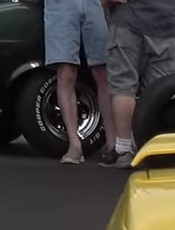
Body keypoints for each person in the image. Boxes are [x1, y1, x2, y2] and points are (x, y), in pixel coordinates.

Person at [102, 0, 175, 167]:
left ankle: (123, 149)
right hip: (167, 25)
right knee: (160, 90)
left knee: (124, 86)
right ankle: (154, 147)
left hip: (130, 22)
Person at [44, 0, 114, 164]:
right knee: (66, 72)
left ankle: (113, 143)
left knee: (102, 71)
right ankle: (74, 145)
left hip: (95, 4)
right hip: (61, 5)